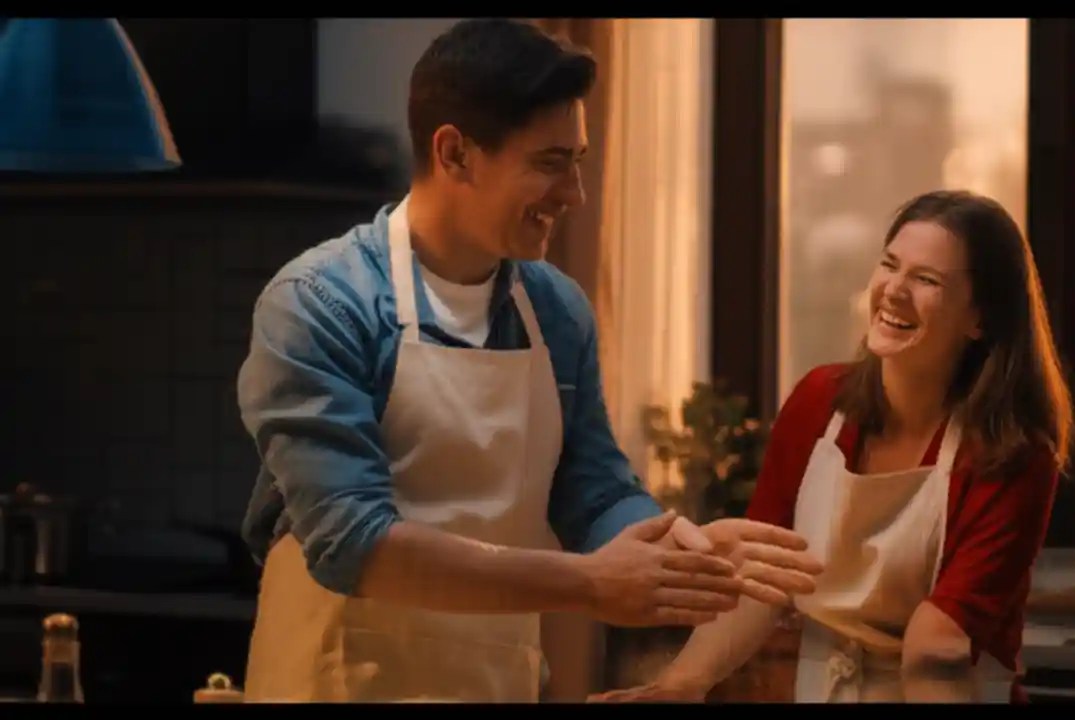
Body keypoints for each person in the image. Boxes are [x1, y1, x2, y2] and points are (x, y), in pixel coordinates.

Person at [234, 18, 822, 703]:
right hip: (333, 685)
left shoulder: (554, 309)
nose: (574, 193)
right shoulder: (322, 304)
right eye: (550, 162)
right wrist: (591, 584)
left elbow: (592, 492)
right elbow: (353, 543)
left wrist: (685, 552)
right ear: (455, 153)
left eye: (578, 161)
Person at [591, 190, 1073, 704]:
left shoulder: (1011, 454)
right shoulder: (819, 402)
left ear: (981, 319)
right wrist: (680, 685)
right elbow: (765, 575)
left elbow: (938, 644)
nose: (894, 291)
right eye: (890, 265)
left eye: (927, 280)